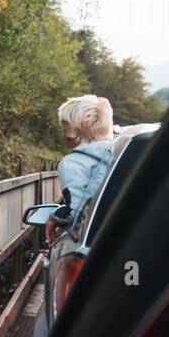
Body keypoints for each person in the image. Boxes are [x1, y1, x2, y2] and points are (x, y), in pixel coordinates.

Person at [45, 95, 114, 245]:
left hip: (91, 243)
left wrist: (53, 217)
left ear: (72, 133)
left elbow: (74, 212)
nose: (62, 135)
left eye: (64, 129)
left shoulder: (71, 163)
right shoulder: (118, 152)